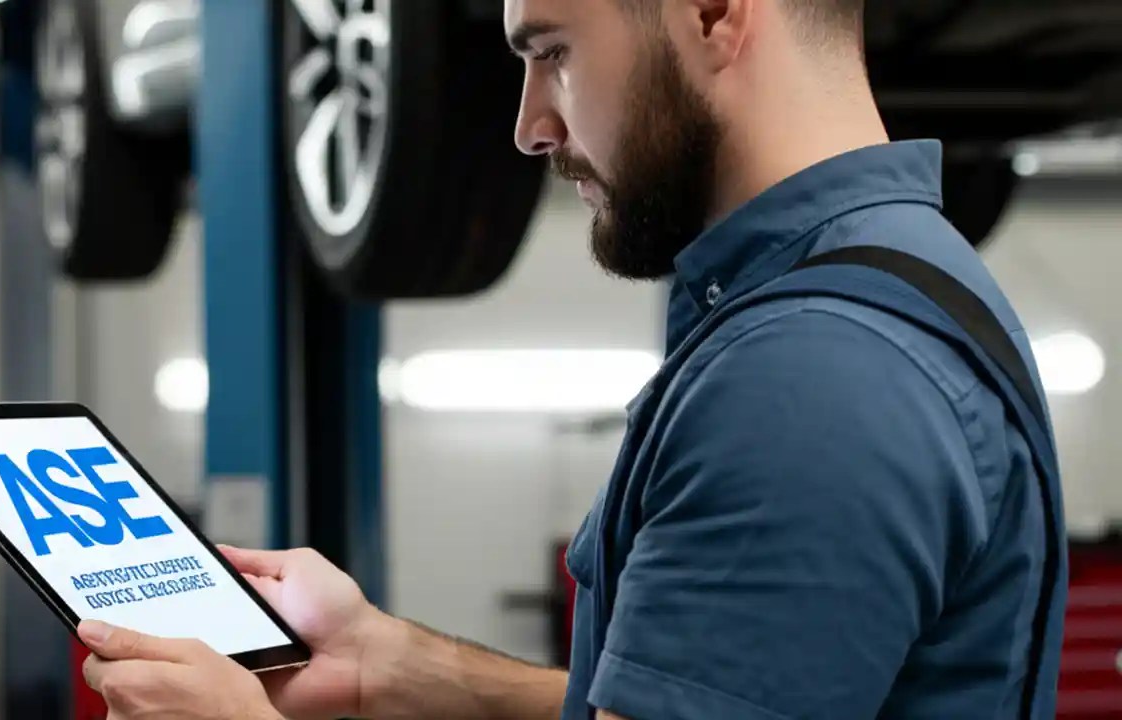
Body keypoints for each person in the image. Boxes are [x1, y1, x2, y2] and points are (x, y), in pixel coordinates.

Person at [78, 0, 1067, 717]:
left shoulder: (808, 378)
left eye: (550, 50)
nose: (528, 125)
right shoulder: (899, 279)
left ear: (713, 12)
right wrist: (389, 665)